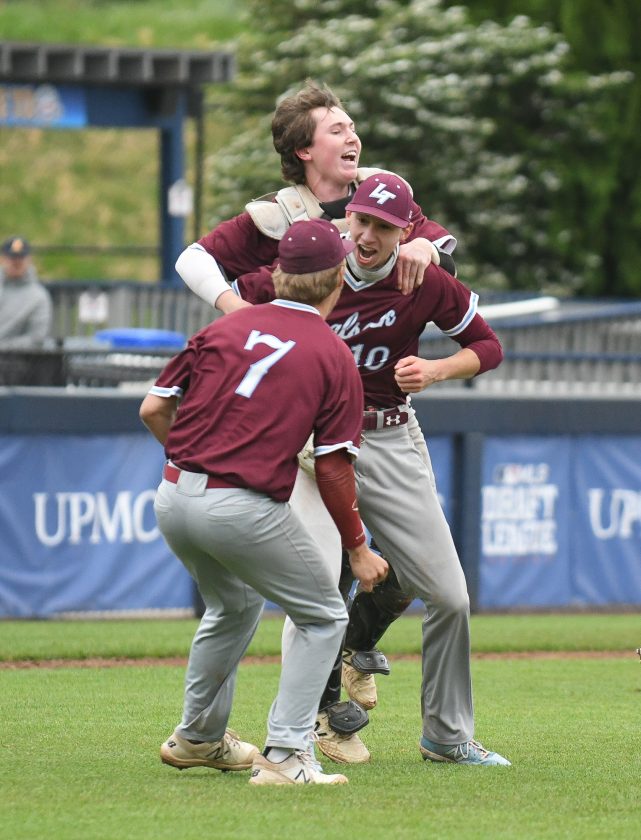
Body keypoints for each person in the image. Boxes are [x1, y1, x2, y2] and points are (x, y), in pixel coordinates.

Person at [176, 80, 456, 764]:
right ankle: (303, 726)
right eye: (335, 128)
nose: (350, 135)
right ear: (304, 150)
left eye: (351, 124)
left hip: (379, 417)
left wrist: (431, 249)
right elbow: (192, 257)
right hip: (306, 412)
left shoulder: (382, 192)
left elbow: (440, 250)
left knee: (401, 575)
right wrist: (232, 307)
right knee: (320, 578)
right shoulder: (280, 215)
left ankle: (342, 668)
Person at [233, 171, 511, 766]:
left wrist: (436, 370)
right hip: (310, 443)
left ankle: (446, 735)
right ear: (347, 216)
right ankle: (298, 731)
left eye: (383, 226)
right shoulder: (320, 270)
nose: (366, 234)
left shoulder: (423, 279)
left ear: (405, 230)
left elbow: (488, 347)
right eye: (360, 219)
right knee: (314, 588)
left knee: (450, 595)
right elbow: (234, 292)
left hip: (386, 435)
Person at [140, 218, 388, 786]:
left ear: (277, 274)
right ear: (337, 282)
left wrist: (192, 461)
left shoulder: (225, 327)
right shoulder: (331, 351)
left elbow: (153, 409)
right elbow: (331, 466)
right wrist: (356, 547)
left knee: (233, 607)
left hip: (174, 496)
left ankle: (198, 738)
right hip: (241, 506)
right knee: (325, 616)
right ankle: (286, 756)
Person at [0, 236, 52, 346]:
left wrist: (4, 346)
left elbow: (36, 337)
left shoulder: (38, 297)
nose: (16, 262)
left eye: (21, 258)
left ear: (29, 260)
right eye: (12, 258)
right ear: (3, 259)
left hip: (16, 359)